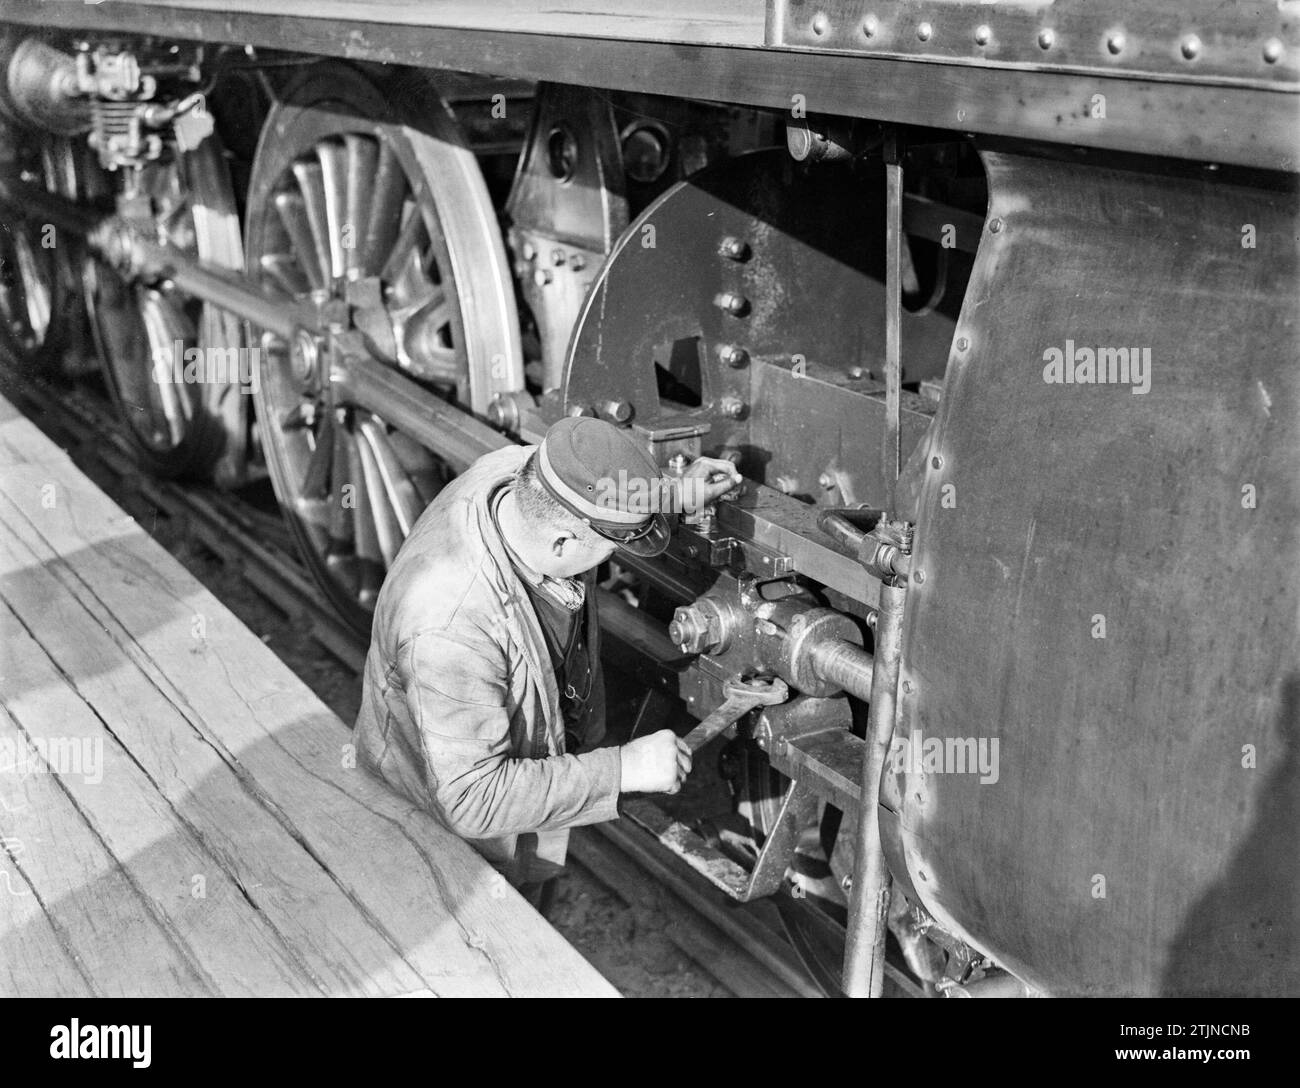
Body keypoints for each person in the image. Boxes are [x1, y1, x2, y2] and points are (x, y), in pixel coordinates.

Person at [353, 415, 741, 909]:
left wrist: (666, 494)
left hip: (523, 805)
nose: (610, 560)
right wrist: (622, 770)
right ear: (562, 543)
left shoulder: (517, 480)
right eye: (609, 549)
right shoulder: (451, 624)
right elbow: (473, 801)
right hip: (441, 851)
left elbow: (579, 480)